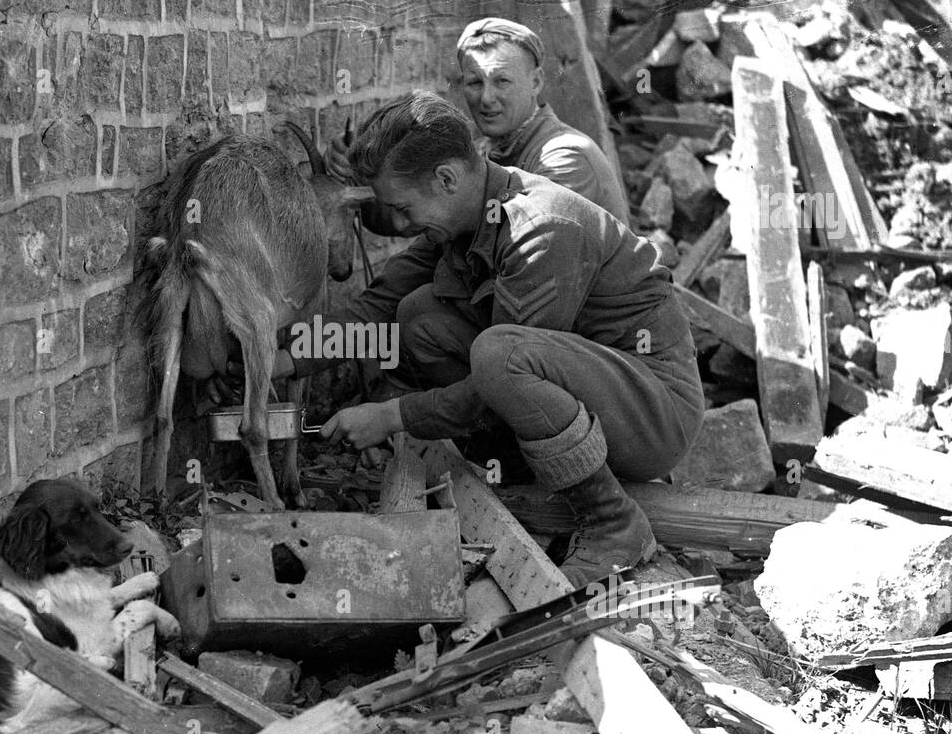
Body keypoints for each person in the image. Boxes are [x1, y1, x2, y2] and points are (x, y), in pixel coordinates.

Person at [277, 92, 704, 583]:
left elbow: (496, 380)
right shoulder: (464, 215)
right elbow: (378, 304)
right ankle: (521, 473)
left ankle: (614, 522)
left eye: (402, 208)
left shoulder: (542, 227)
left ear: (446, 179)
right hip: (587, 395)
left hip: (653, 414)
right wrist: (287, 356)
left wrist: (392, 416)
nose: (396, 225)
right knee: (419, 316)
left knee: (499, 353)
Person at [327, 17, 630, 225]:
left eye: (502, 81)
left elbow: (515, 241)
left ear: (536, 82)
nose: (486, 98)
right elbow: (418, 212)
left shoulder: (564, 156)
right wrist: (360, 176)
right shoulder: (482, 149)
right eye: (474, 83)